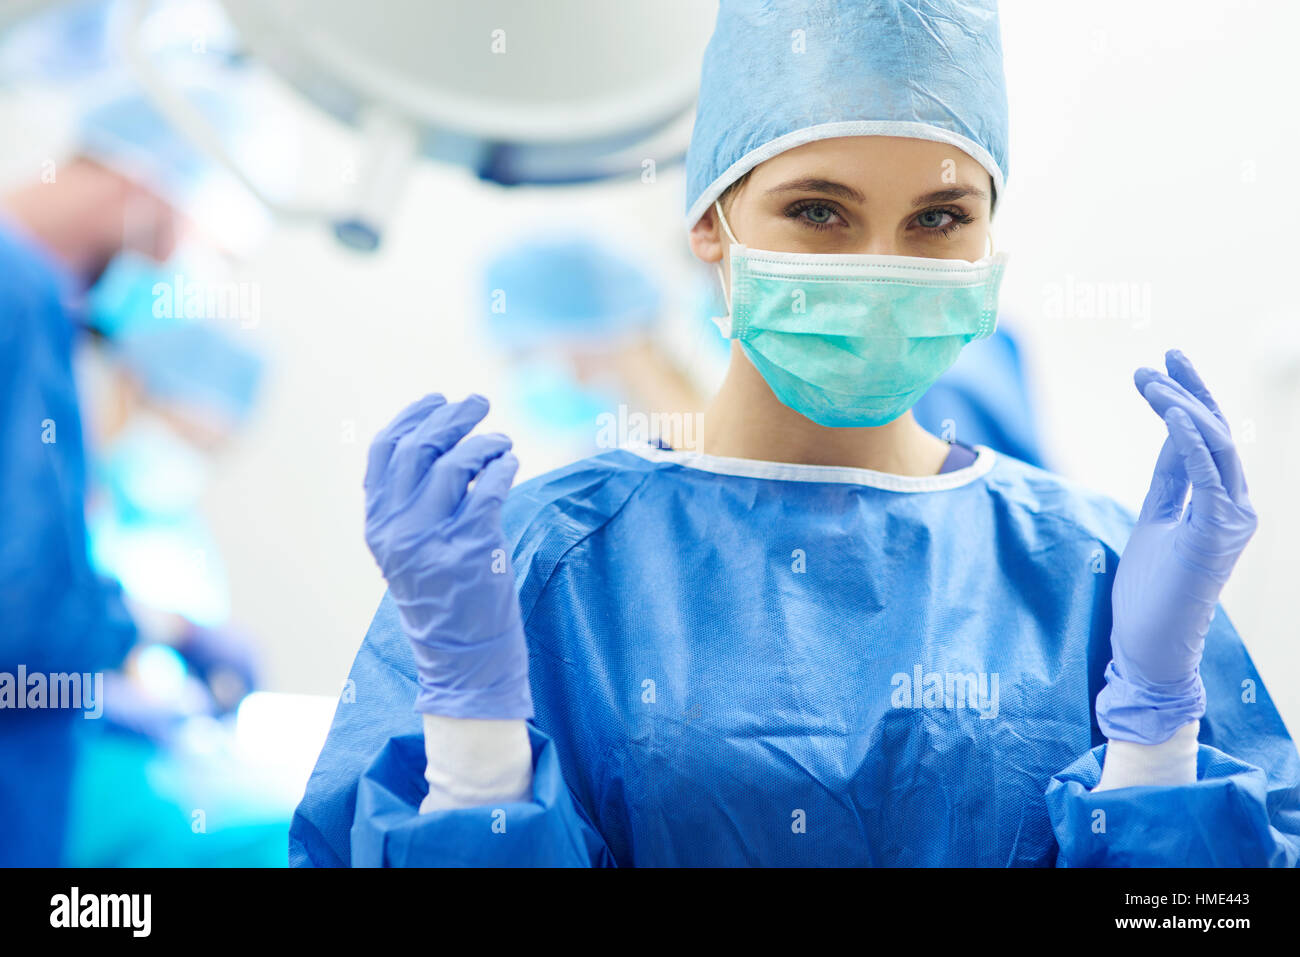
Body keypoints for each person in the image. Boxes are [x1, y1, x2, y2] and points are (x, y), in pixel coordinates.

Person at [291, 0, 1300, 866]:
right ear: (707, 228)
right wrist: (474, 743)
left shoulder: (1094, 572)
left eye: (940, 218)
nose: (879, 263)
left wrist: (1159, 735)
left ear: (992, 238)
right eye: (818, 210)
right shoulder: (544, 567)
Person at [0, 157, 174, 866]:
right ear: (134, 176)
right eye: (181, 231)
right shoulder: (22, 288)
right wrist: (116, 636)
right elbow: (26, 608)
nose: (166, 260)